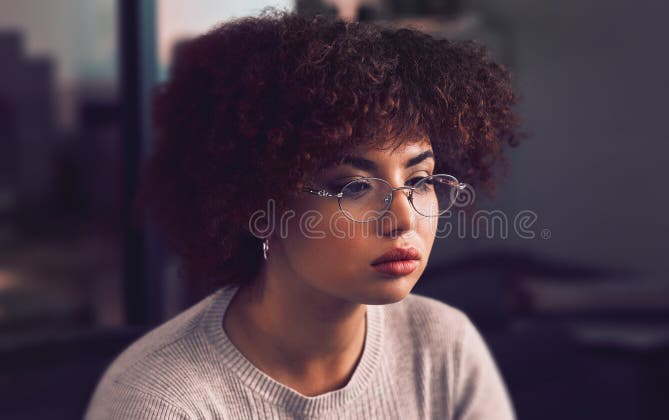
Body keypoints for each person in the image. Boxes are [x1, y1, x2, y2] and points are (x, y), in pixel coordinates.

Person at [86, 10, 521, 420]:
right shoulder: (161, 402)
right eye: (352, 186)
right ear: (261, 203)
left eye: (420, 179)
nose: (403, 219)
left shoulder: (444, 346)